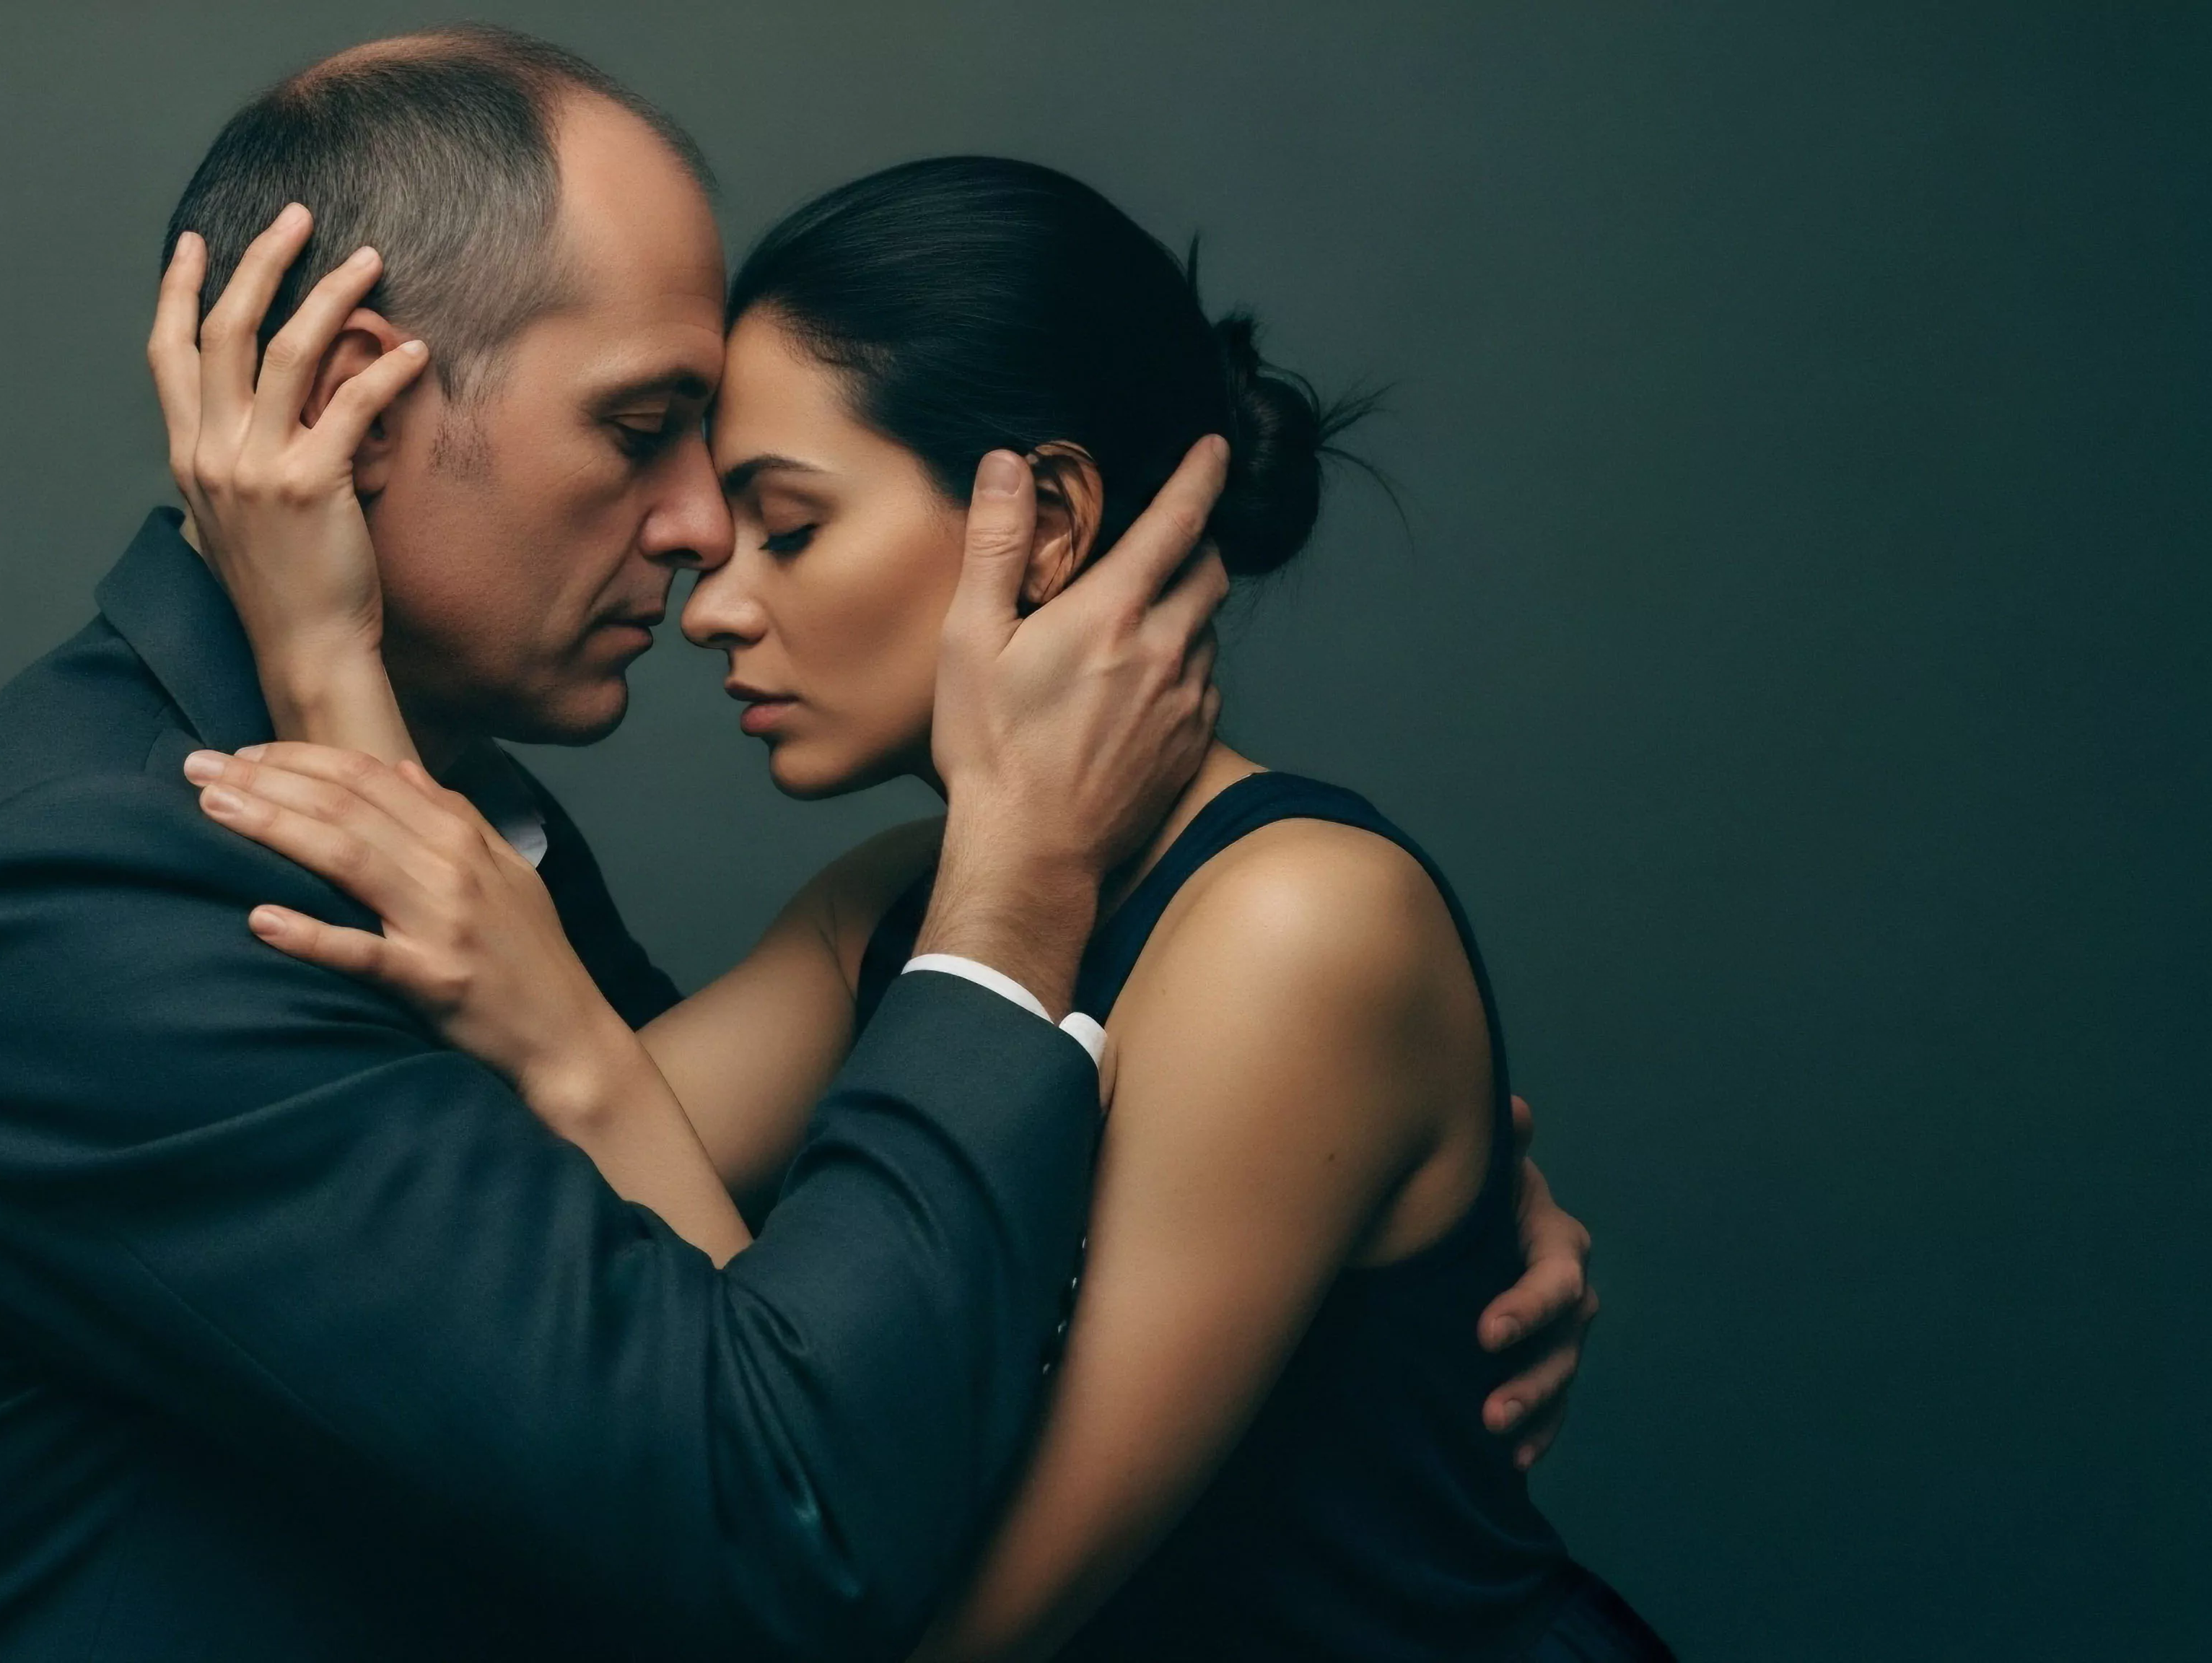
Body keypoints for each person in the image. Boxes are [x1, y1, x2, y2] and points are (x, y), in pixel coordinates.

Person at [0, 27, 1598, 1662]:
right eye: (644, 431)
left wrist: (1371, 1259)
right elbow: (771, 1455)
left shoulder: (1256, 931)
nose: (700, 540)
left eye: (775, 504)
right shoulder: (107, 884)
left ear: (1047, 524)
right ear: (349, 397)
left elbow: (721, 1347)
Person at [178, 154, 1661, 1659]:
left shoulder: (1295, 930)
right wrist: (321, 639)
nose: (713, 604)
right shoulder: (892, 914)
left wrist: (564, 1026)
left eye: (791, 526)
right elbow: (506, 1251)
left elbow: (903, 1623)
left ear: (1053, 518)